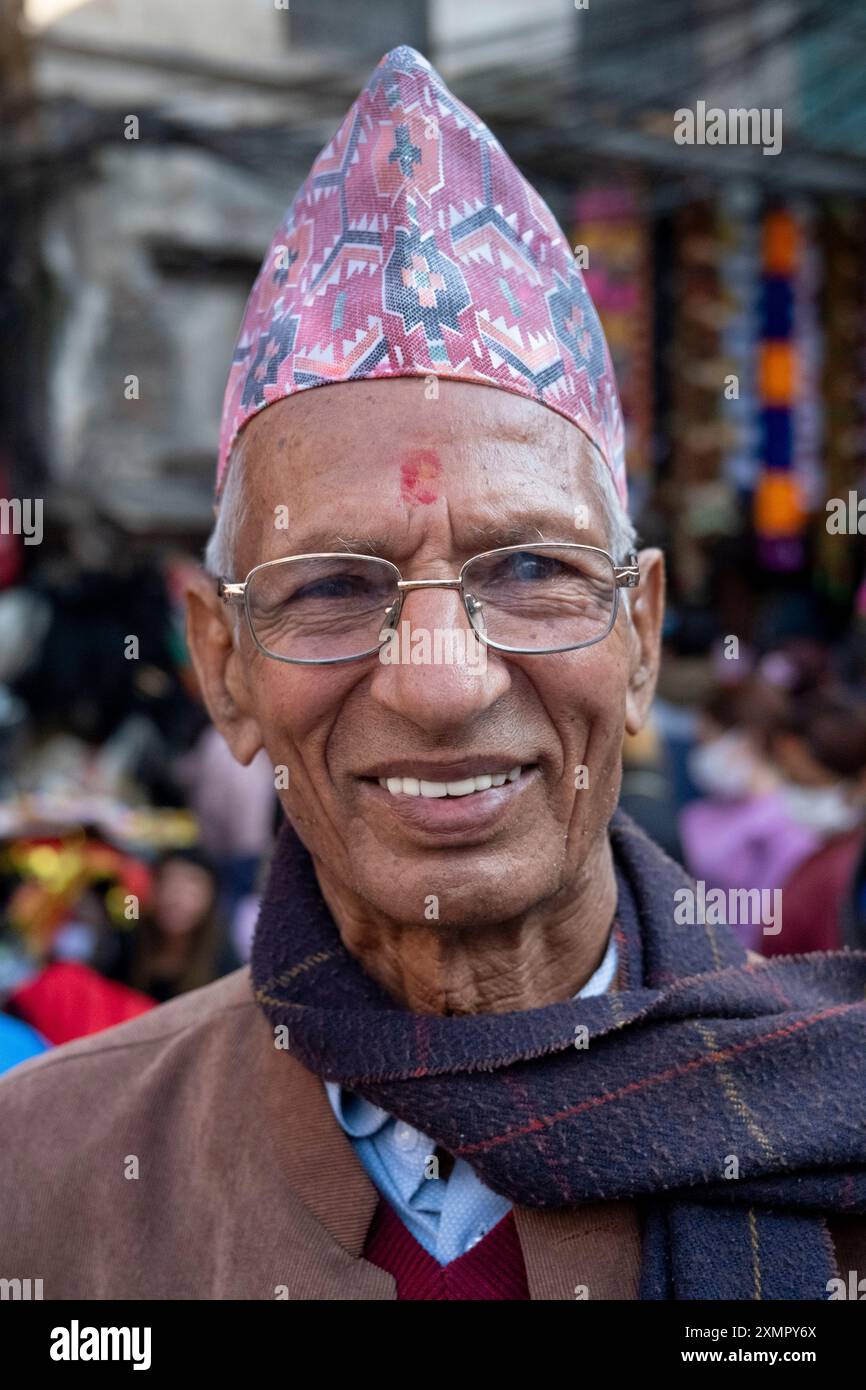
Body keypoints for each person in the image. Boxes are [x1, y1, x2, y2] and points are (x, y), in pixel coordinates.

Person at [2, 46, 866, 1302]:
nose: (440, 681)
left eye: (527, 570)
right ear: (224, 670)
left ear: (638, 636)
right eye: (334, 587)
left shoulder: (826, 1129)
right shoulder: (45, 1178)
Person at [679, 679, 821, 949]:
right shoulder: (713, 806)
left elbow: (765, 927)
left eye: (708, 741)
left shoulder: (784, 826)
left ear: (745, 740)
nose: (702, 755)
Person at [762, 687, 866, 957]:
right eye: (786, 777)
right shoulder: (824, 855)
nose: (788, 792)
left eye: (804, 782)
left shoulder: (839, 874)